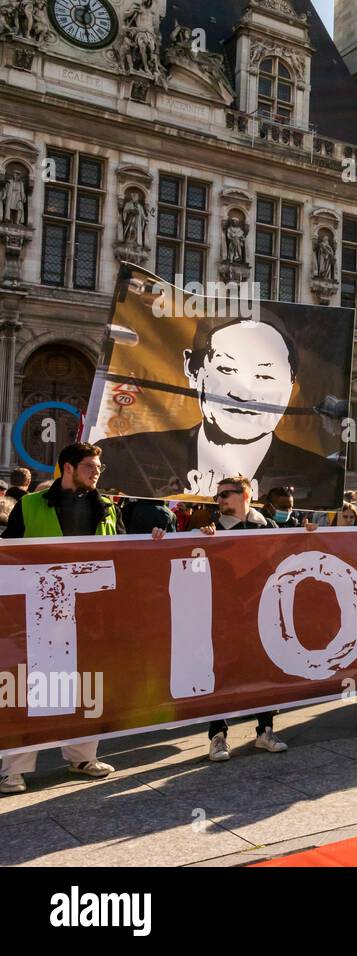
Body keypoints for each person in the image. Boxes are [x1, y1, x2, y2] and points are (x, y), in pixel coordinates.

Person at [94, 314, 338, 504]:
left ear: (292, 387)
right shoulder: (120, 457)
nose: (243, 394)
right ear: (193, 371)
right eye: (227, 370)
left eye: (265, 376)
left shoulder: (323, 478)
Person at [1, 443, 125, 794]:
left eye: (100, 465)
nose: (97, 471)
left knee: (87, 685)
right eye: (89, 465)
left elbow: (125, 551)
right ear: (67, 468)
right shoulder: (30, 505)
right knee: (32, 688)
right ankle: (14, 770)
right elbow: (8, 553)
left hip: (90, 613)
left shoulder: (108, 508)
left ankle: (82, 757)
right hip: (40, 610)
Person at [190, 475, 303, 760]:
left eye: (225, 494)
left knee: (262, 669)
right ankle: (218, 736)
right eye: (217, 495)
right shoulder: (208, 527)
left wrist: (309, 533)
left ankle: (265, 731)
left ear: (245, 495)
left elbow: (285, 559)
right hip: (224, 613)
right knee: (222, 671)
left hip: (260, 611)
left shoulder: (268, 525)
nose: (219, 500)